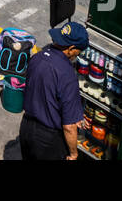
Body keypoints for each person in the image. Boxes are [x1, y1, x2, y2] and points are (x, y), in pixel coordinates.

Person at [19, 21, 90, 160]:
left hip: (26, 128)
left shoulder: (37, 58)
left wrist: (76, 116)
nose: (78, 54)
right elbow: (69, 127)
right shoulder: (67, 75)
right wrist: (74, 153)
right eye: (79, 51)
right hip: (48, 140)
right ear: (71, 48)